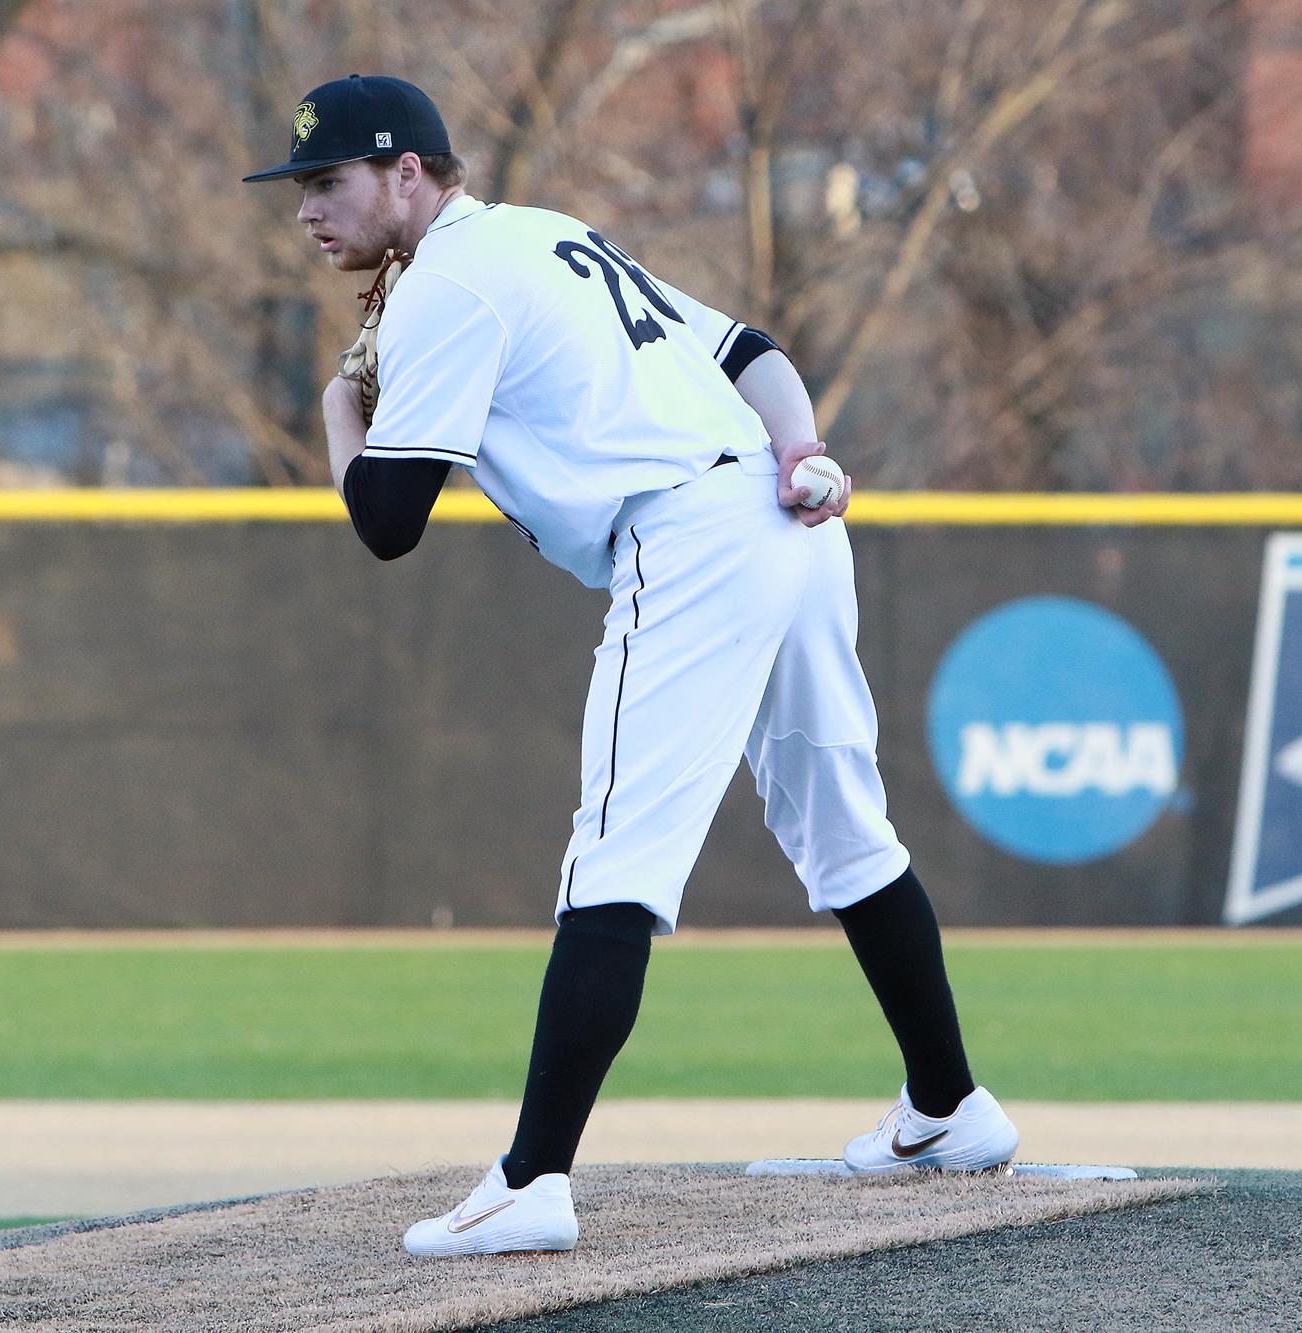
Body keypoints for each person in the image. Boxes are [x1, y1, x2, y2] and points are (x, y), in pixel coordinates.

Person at [244, 74, 1018, 1258]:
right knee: (843, 827)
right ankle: (948, 1105)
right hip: (781, 517)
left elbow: (387, 521)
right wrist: (798, 447)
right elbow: (749, 348)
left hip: (688, 539)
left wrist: (341, 416)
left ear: (407, 173)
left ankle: (529, 1180)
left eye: (328, 179)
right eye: (299, 185)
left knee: (615, 856)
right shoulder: (541, 236)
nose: (307, 207)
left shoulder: (446, 283)